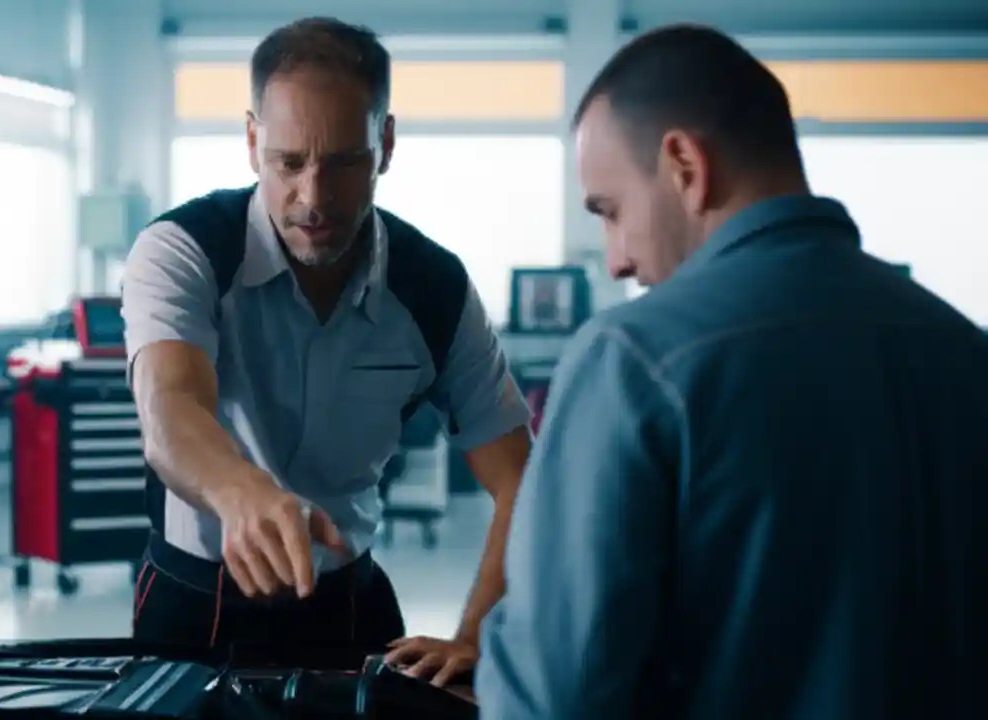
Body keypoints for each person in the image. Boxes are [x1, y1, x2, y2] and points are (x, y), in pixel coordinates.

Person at [475, 24, 988, 719]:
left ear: (685, 165)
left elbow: (552, 697)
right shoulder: (963, 351)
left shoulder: (634, 361)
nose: (618, 258)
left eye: (611, 210)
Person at [121, 17, 532, 686]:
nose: (314, 198)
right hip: (198, 606)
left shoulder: (436, 289)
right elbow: (169, 407)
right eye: (289, 162)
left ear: (386, 144)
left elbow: (520, 480)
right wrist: (241, 493)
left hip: (351, 608)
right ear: (253, 142)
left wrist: (479, 634)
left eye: (344, 162)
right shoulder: (180, 251)